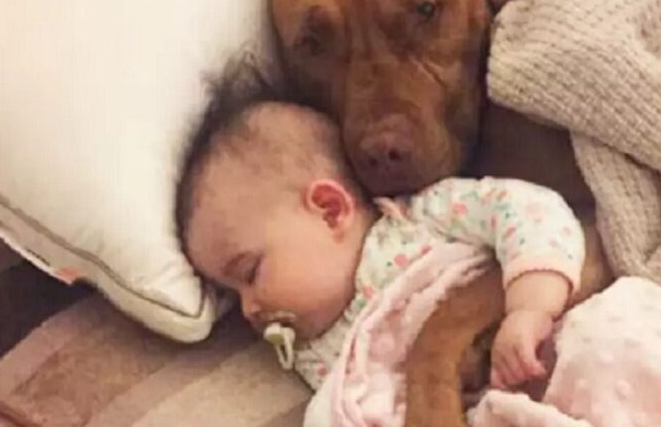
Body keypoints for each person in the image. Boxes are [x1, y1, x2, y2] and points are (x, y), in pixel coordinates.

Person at [175, 100, 585, 392]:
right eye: (232, 294)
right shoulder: (317, 361)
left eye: (249, 273)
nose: (248, 308)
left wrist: (530, 307)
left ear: (330, 210)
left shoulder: (421, 218)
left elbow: (529, 210)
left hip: (556, 347)